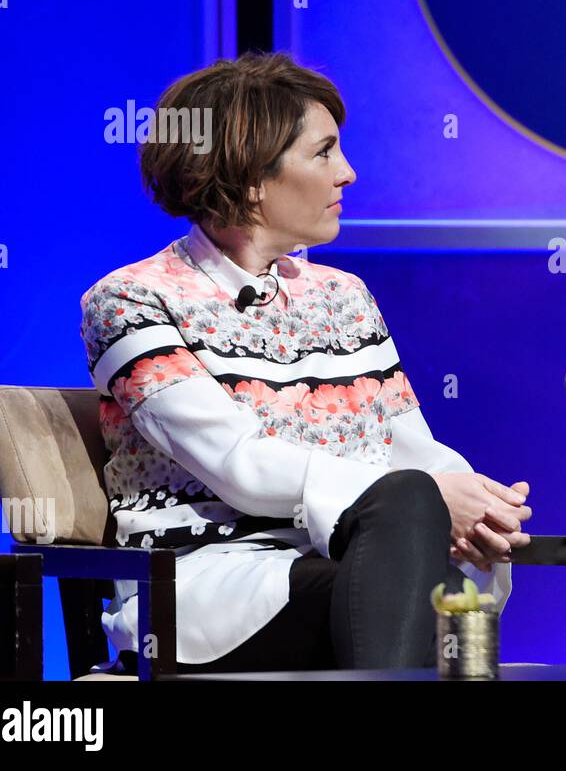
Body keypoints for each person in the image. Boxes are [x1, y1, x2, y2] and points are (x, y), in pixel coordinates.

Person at [80, 52, 532, 674]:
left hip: (358, 565)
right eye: (323, 153)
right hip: (211, 585)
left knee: (434, 564)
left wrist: (475, 501)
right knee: (416, 547)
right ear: (249, 178)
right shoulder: (132, 299)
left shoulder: (340, 295)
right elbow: (238, 465)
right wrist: (423, 498)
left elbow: (410, 445)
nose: (347, 173)